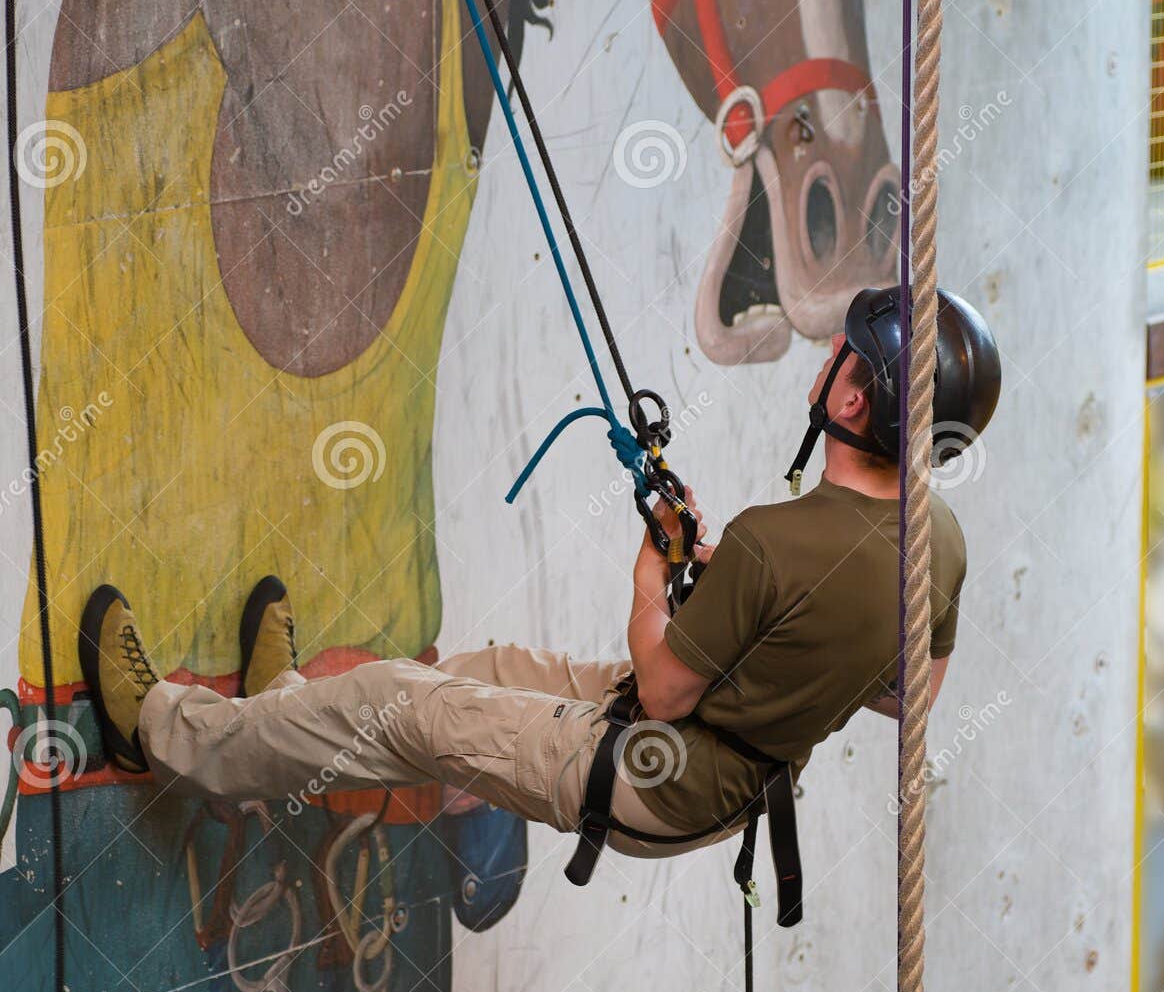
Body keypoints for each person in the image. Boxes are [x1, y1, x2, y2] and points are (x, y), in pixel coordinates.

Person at [79, 287, 1001, 860]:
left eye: (840, 349)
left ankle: (159, 734)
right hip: (723, 773)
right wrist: (755, 625)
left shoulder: (775, 542)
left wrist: (655, 581)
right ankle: (275, 709)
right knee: (468, 674)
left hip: (654, 772)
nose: (829, 354)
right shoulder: (944, 541)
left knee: (398, 703)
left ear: (850, 396)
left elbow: (666, 687)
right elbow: (902, 695)